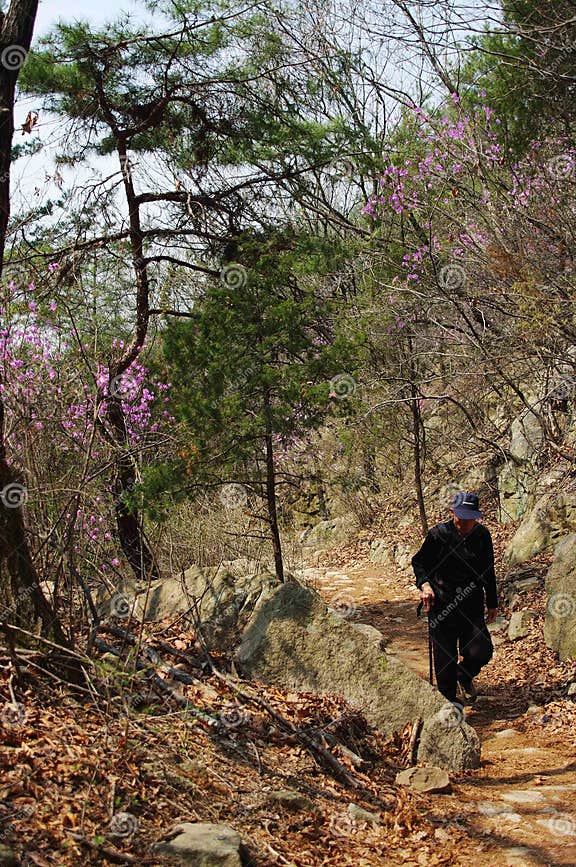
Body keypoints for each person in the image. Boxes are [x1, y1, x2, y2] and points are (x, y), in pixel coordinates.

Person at [411, 492, 498, 706]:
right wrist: (425, 585)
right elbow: (419, 563)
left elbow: (489, 570)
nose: (466, 522)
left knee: (481, 650)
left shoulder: (482, 536)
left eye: (471, 518)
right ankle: (449, 707)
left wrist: (492, 601)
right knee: (444, 661)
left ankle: (465, 675)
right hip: (442, 605)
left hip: (471, 604)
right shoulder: (438, 535)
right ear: (452, 513)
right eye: (462, 517)